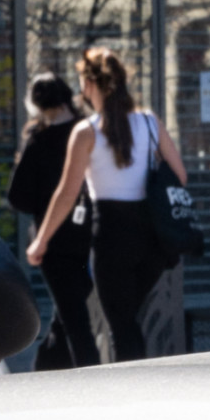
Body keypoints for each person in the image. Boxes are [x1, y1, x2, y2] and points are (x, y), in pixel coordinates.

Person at [28, 48, 188, 362]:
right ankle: (137, 393)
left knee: (121, 325)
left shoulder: (86, 132)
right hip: (152, 240)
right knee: (127, 320)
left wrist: (41, 240)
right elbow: (180, 176)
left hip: (112, 238)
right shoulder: (149, 122)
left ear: (89, 85)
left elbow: (66, 193)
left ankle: (130, 399)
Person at [8, 73, 99, 369]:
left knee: (72, 319)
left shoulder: (38, 141)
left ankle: (93, 380)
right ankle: (44, 374)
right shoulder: (90, 130)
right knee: (70, 313)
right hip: (92, 235)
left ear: (36, 105)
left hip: (53, 243)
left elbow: (18, 198)